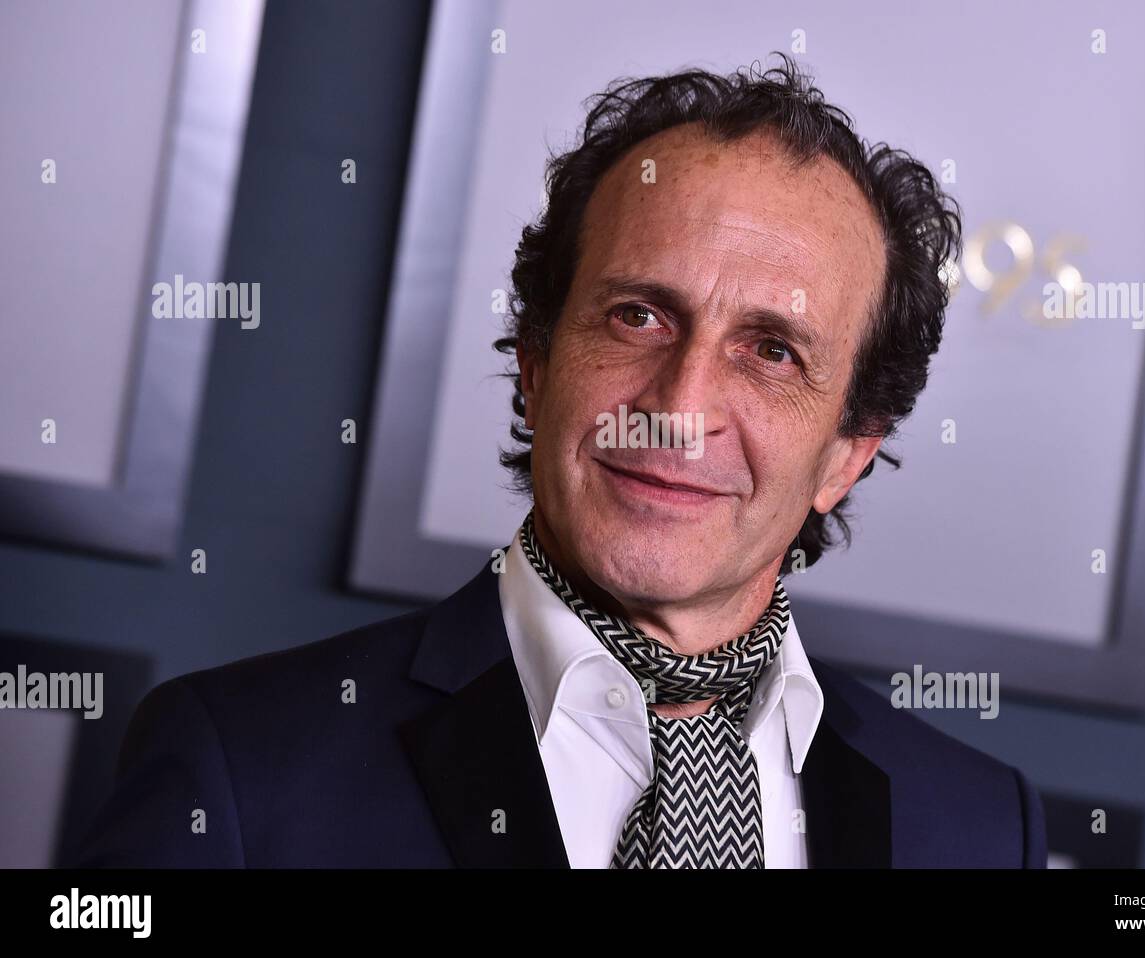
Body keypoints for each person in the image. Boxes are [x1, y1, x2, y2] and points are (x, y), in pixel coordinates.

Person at [77, 54, 1046, 869]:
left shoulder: (976, 828)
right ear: (535, 364)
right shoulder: (240, 766)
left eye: (771, 350)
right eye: (639, 315)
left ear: (846, 453)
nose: (679, 407)